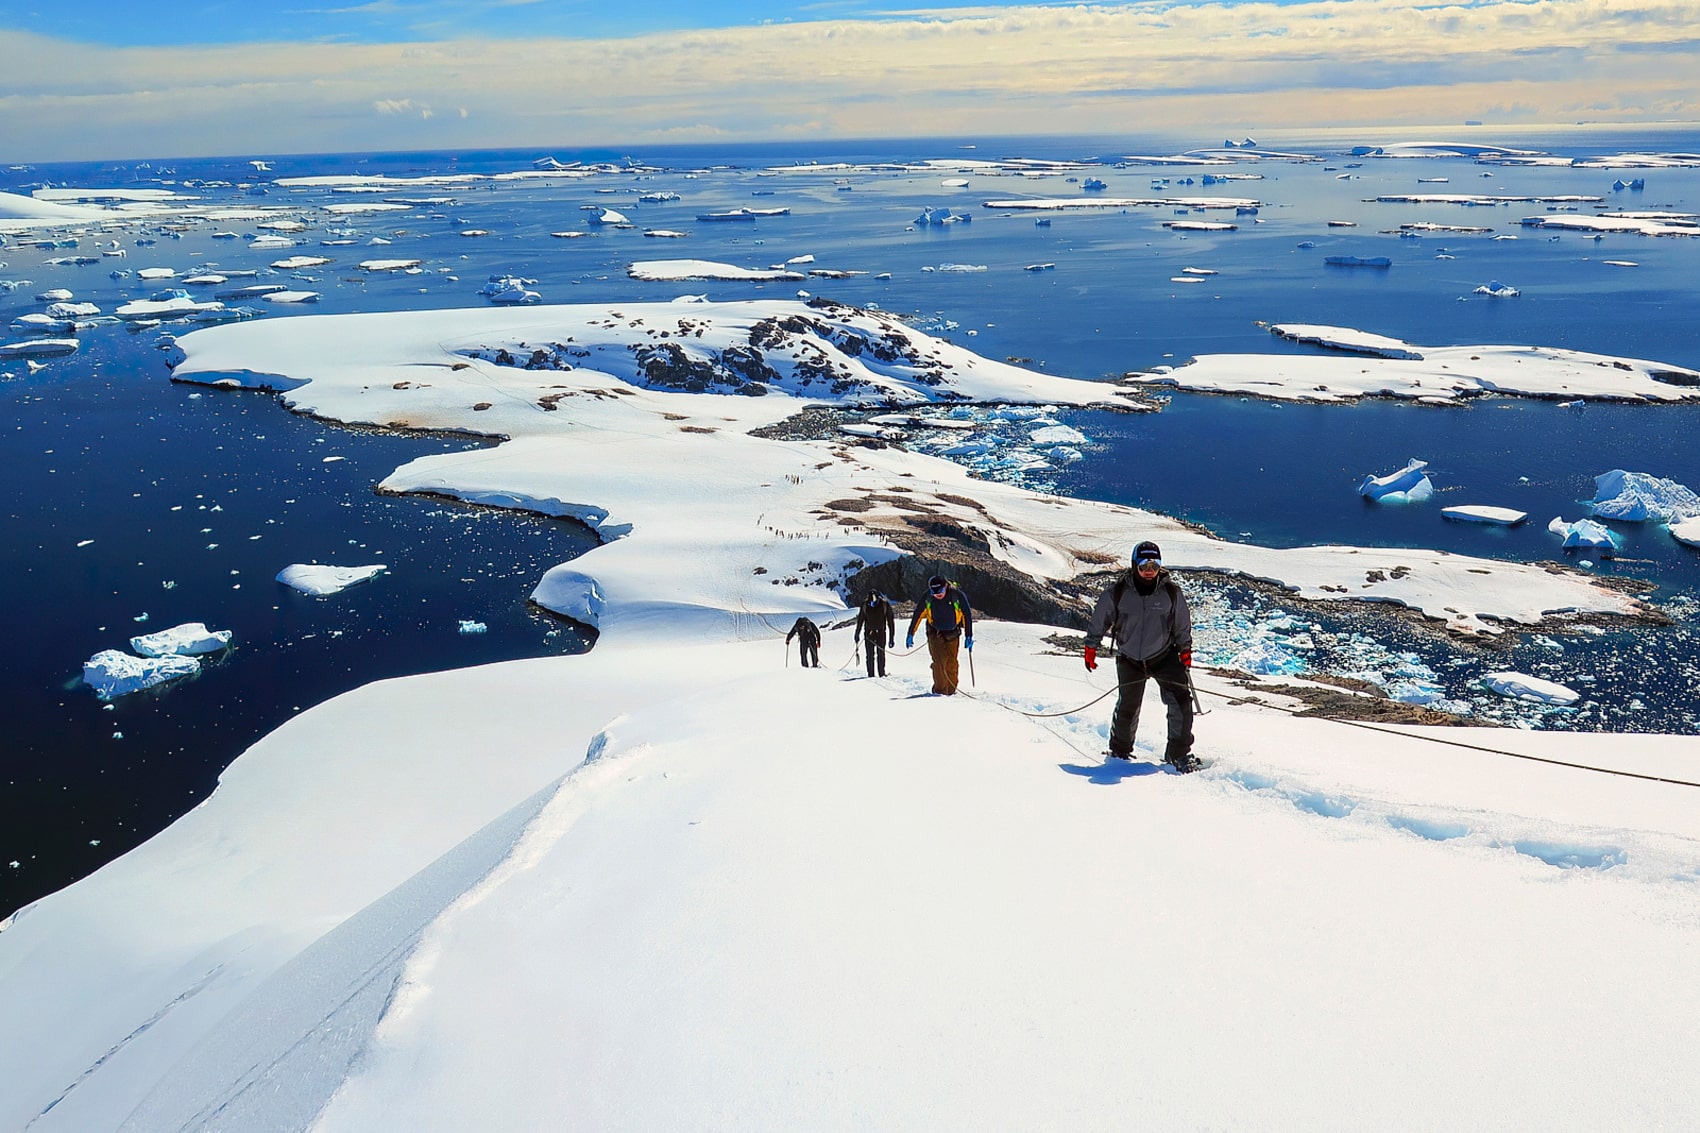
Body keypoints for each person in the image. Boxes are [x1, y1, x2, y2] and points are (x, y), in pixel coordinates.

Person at [1083, 540, 1199, 772]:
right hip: (1130, 658)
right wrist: (1091, 646)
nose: (1149, 571)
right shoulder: (1117, 592)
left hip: (1164, 655)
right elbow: (1100, 618)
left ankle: (1178, 755)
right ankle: (1119, 752)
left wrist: (1185, 650)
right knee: (1128, 705)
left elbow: (1181, 624)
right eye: (1144, 565)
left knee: (1181, 702)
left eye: (1154, 566)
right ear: (1134, 564)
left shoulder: (1171, 593)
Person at [905, 575, 973, 695]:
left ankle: (951, 691)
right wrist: (911, 633)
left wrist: (969, 635)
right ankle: (939, 692)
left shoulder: (957, 595)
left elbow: (967, 614)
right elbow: (918, 614)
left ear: (946, 586)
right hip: (934, 633)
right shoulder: (927, 597)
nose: (937, 594)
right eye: (934, 592)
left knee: (952, 663)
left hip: (953, 633)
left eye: (940, 591)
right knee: (939, 663)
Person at [854, 591, 896, 678]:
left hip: (879, 632)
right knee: (870, 655)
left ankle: (881, 674)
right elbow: (860, 620)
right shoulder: (865, 605)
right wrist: (857, 633)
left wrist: (892, 638)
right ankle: (871, 675)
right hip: (870, 633)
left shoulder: (884, 605)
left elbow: (891, 622)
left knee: (880, 654)